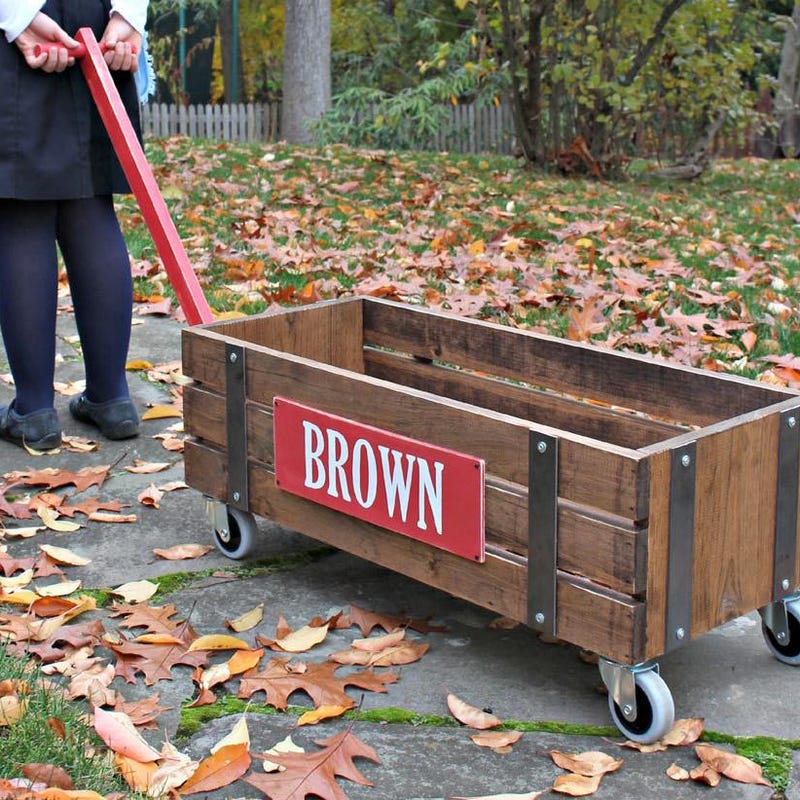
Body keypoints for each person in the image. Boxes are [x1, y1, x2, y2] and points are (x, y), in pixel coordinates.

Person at [0, 0, 148, 450]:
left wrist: (17, 14)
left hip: (27, 20)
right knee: (91, 205)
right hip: (96, 21)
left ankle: (34, 411)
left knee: (23, 216)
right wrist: (127, 14)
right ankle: (112, 398)